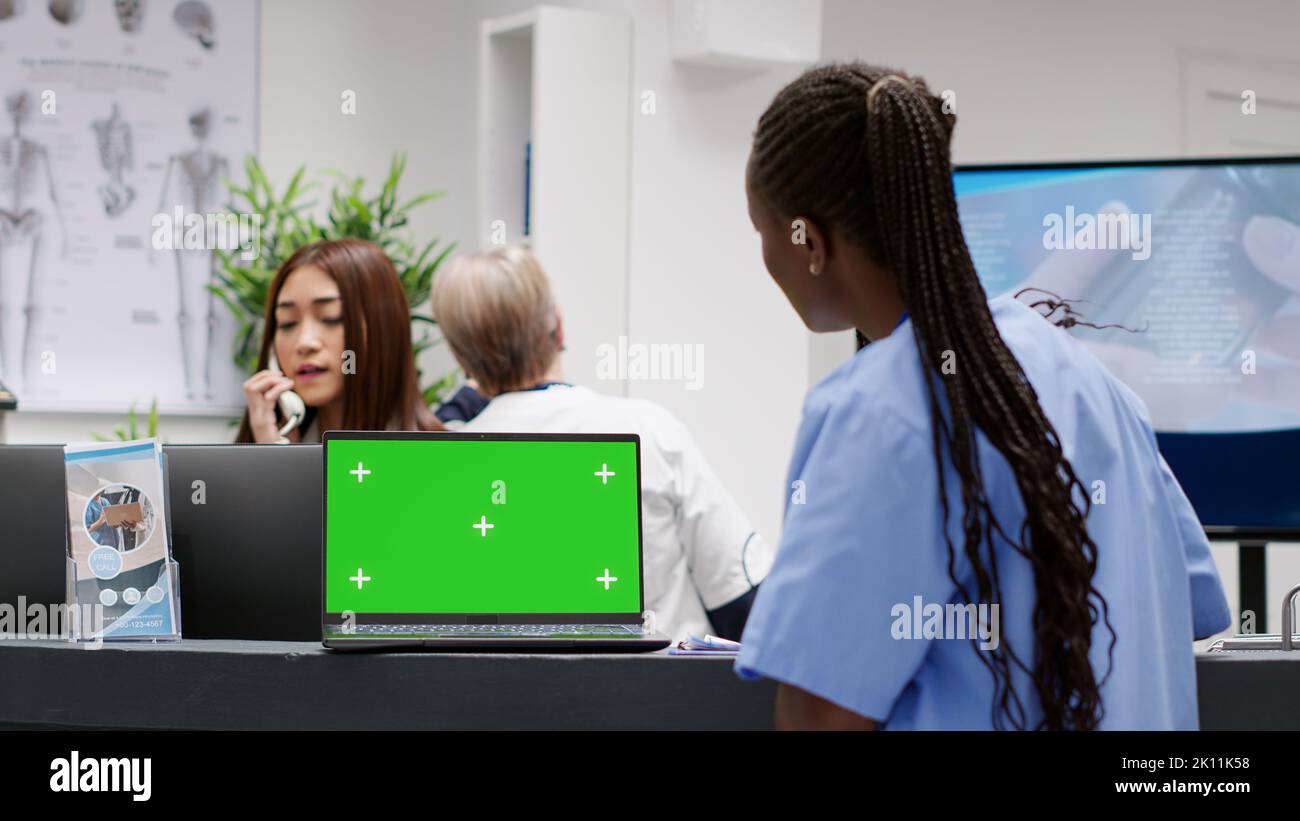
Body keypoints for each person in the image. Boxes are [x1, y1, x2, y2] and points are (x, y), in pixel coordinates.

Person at [735, 63, 1230, 730]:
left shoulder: (874, 411)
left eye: (760, 230)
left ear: (810, 243)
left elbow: (820, 717)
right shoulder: (1099, 388)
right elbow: (1191, 608)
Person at [428, 245, 773, 641]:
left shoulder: (447, 468)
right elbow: (742, 598)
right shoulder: (648, 430)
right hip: (663, 679)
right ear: (558, 326)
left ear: (461, 359)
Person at [236, 238, 440, 443]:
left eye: (331, 318)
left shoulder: (444, 455)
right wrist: (273, 455)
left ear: (383, 330)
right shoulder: (269, 443)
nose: (304, 342)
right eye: (288, 323)